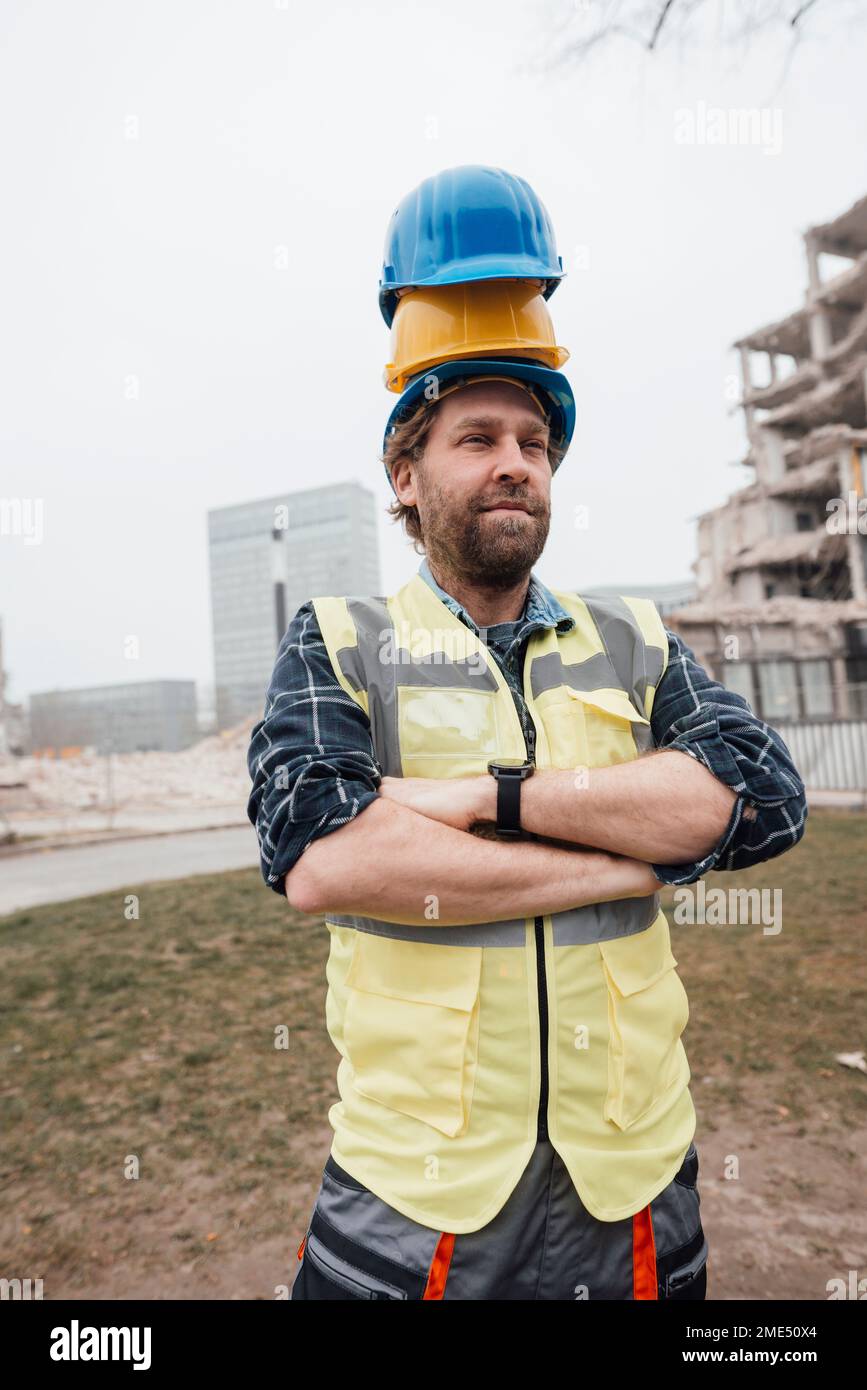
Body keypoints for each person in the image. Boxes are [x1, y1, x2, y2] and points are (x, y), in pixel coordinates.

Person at [246, 374, 807, 1300]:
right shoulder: (342, 640)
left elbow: (761, 797)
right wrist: (624, 864)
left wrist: (483, 799)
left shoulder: (633, 638)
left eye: (534, 444)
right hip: (416, 1189)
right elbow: (320, 856)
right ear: (406, 479)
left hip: (631, 1175)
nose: (515, 465)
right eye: (476, 440)